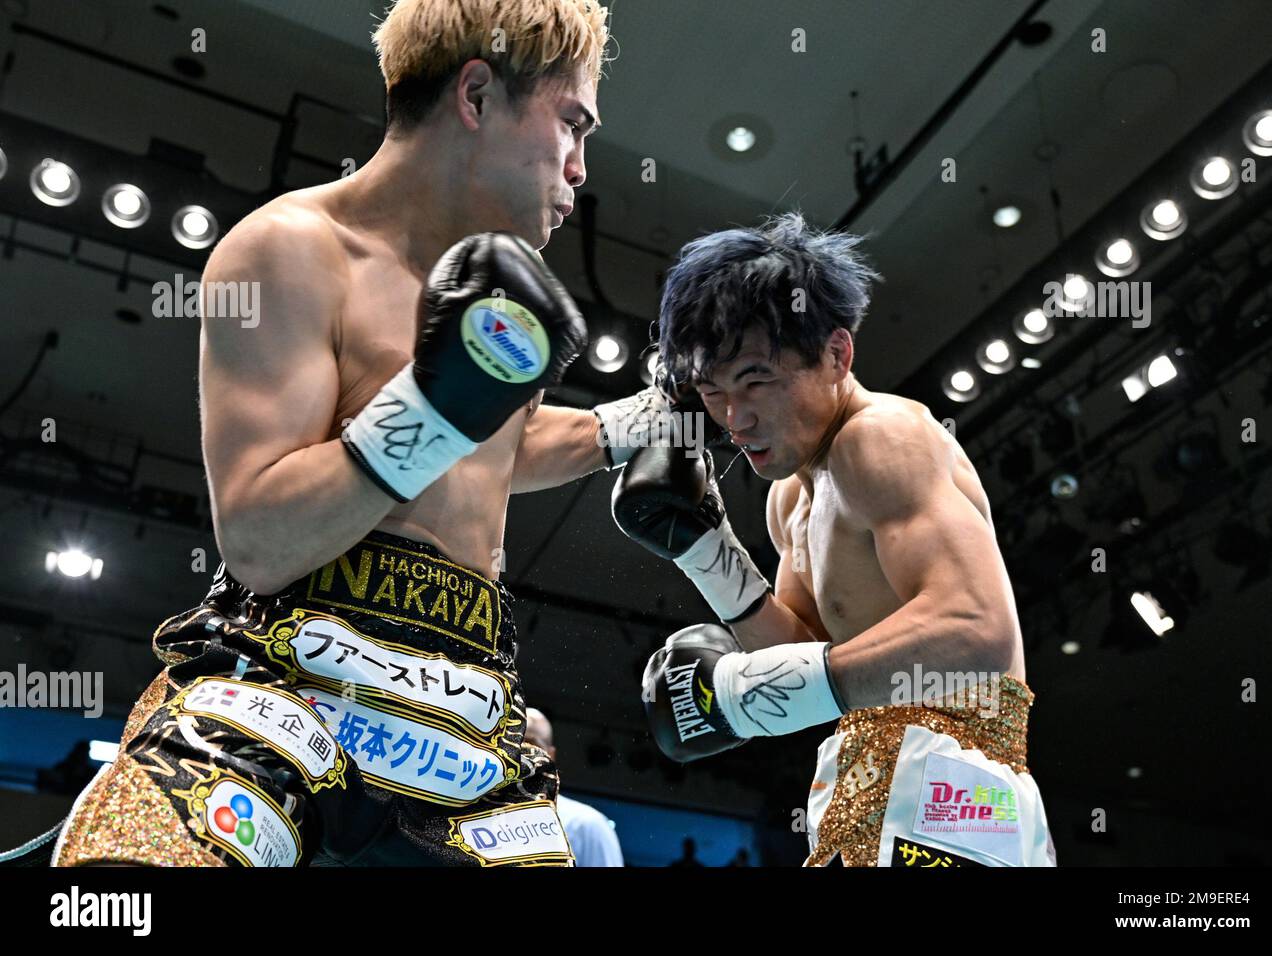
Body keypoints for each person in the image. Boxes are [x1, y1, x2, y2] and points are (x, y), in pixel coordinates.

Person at [52, 0, 620, 868]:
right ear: (477, 94)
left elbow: (499, 450)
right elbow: (257, 538)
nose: (581, 169)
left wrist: (668, 417)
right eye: (571, 124)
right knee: (117, 880)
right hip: (287, 691)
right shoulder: (292, 248)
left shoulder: (494, 298)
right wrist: (433, 408)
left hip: (468, 722)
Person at [617, 212, 1057, 867]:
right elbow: (806, 657)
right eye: (714, 393)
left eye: (756, 381)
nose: (735, 420)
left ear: (837, 354)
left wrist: (741, 696)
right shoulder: (790, 496)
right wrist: (708, 556)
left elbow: (977, 628)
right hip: (870, 778)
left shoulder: (881, 440)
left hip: (951, 781)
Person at [523, 708, 624, 867]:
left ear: (550, 755)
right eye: (513, 743)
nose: (520, 754)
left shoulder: (588, 827)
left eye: (531, 744)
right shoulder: (476, 817)